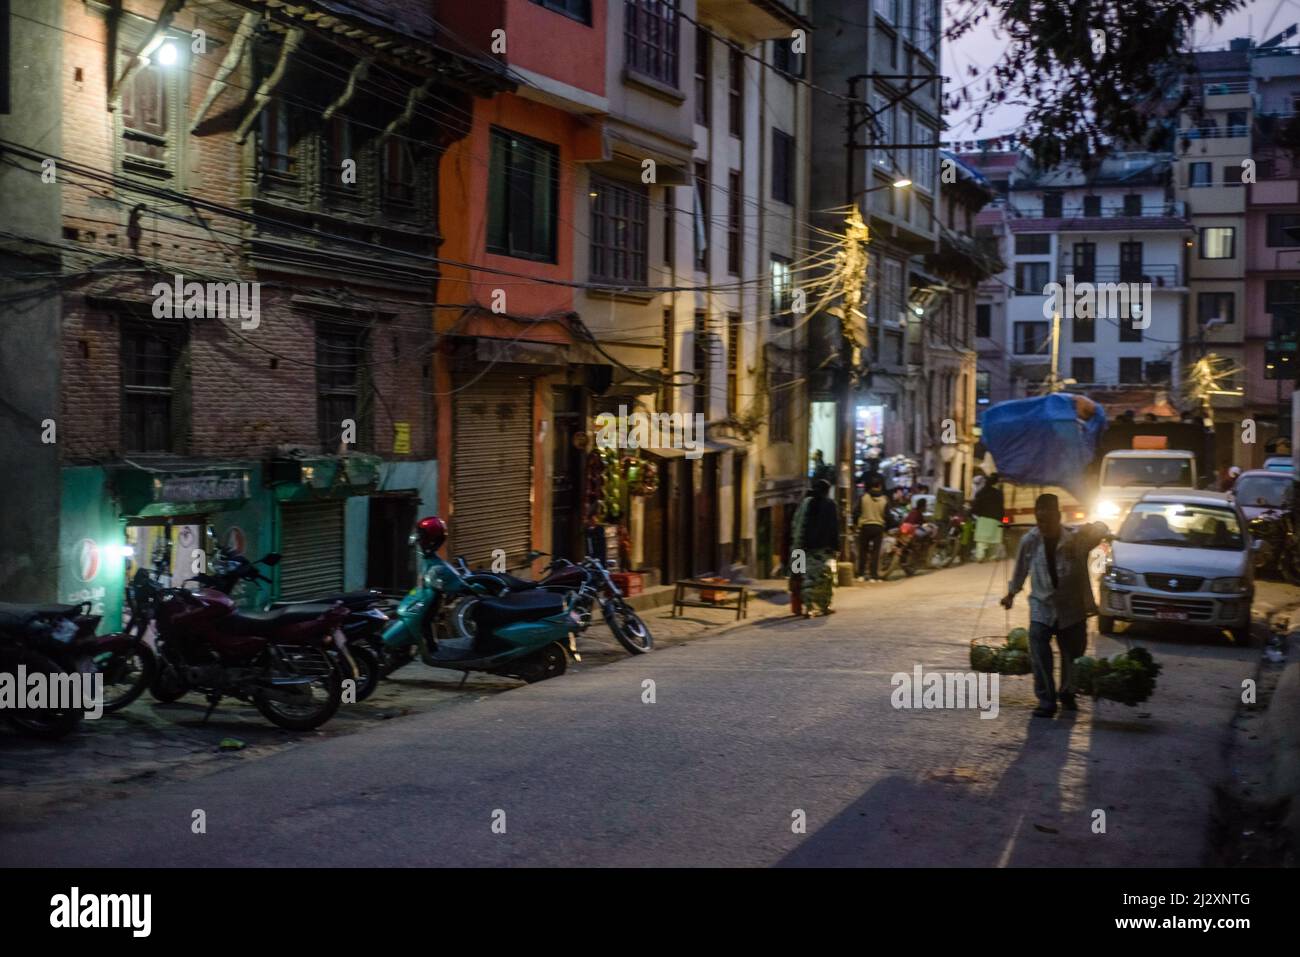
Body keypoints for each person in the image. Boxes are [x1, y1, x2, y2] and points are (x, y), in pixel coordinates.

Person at [1000, 494, 1109, 718]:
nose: (1044, 525)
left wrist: (1091, 528)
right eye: (1040, 520)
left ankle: (1068, 693)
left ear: (1058, 517)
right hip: (1042, 605)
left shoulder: (1077, 538)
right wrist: (1011, 594)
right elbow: (1020, 569)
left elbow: (1102, 528)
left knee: (1073, 653)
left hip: (1072, 607)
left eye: (1048, 520)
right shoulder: (1030, 540)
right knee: (1039, 650)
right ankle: (1046, 700)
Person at [791, 478, 839, 617]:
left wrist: (796, 549)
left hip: (805, 548)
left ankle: (809, 607)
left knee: (808, 579)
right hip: (824, 549)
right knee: (826, 578)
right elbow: (833, 527)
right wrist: (836, 547)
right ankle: (824, 606)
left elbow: (797, 526)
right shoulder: (830, 504)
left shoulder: (806, 503)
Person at [856, 478, 888, 581]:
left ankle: (861, 574)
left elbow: (856, 512)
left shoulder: (863, 498)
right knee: (875, 552)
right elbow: (887, 515)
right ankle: (873, 575)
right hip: (878, 527)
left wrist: (856, 524)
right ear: (879, 486)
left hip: (865, 527)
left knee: (863, 551)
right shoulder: (884, 499)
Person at [971, 472, 1005, 562]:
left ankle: (980, 556)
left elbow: (975, 505)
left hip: (983, 519)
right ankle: (993, 556)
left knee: (981, 540)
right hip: (996, 519)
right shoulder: (999, 493)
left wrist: (973, 513)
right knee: (995, 539)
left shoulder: (981, 492)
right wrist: (1003, 520)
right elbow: (1001, 507)